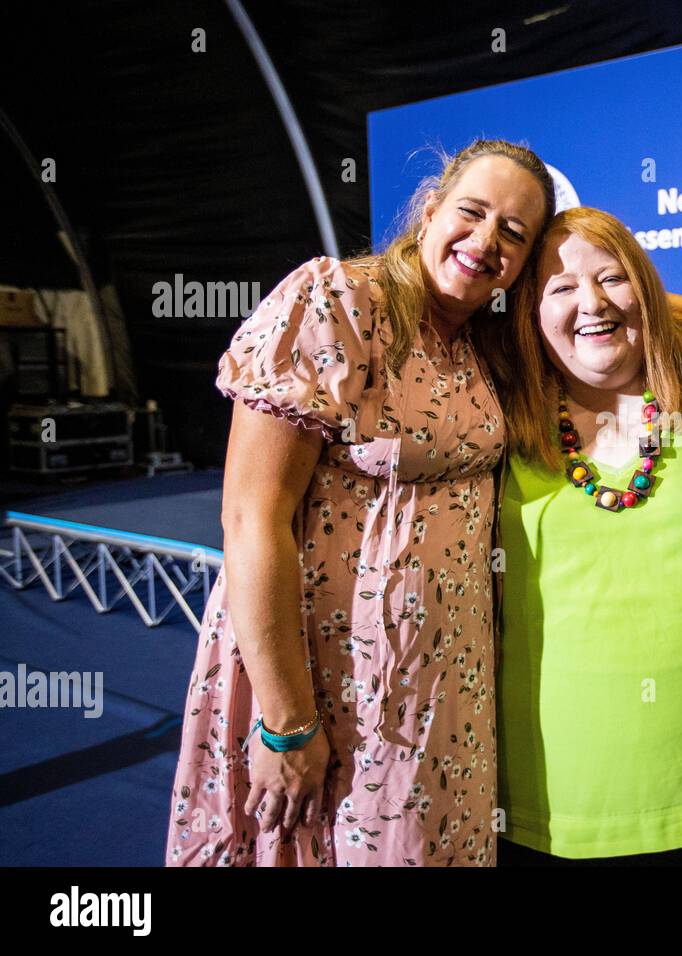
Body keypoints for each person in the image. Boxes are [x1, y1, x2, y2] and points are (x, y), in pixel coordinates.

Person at [165, 138, 554, 866]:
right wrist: (286, 724)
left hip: (444, 698)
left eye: (513, 233)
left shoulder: (478, 339)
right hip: (326, 690)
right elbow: (251, 519)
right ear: (429, 211)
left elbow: (611, 283)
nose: (485, 241)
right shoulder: (339, 300)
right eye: (471, 213)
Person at [490, 207, 682, 865]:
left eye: (614, 278)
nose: (591, 302)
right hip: (541, 800)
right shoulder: (498, 417)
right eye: (560, 288)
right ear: (527, 313)